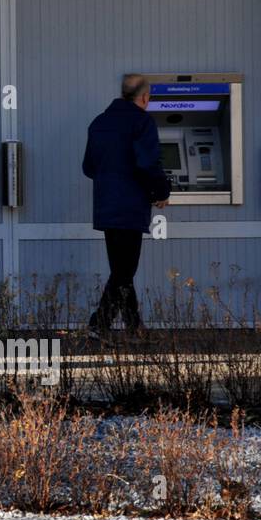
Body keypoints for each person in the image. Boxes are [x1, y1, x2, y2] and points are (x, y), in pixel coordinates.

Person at [82, 74, 172, 340]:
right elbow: (147, 163)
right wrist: (161, 192)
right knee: (124, 271)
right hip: (131, 206)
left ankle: (134, 327)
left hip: (107, 207)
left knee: (122, 270)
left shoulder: (99, 123)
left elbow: (89, 167)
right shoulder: (142, 122)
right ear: (144, 97)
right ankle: (99, 323)